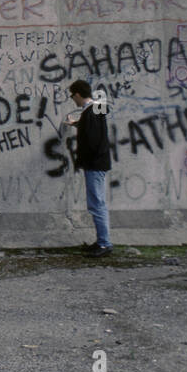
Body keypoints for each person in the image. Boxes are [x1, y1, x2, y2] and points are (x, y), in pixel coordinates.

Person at [68, 80, 112, 257]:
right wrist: (76, 124)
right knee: (97, 203)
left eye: (72, 95)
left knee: (97, 204)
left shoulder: (91, 112)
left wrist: (84, 159)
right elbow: (93, 130)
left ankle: (104, 244)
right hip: (97, 163)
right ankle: (101, 241)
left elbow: (93, 139)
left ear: (78, 94)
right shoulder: (94, 110)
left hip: (95, 164)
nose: (72, 99)